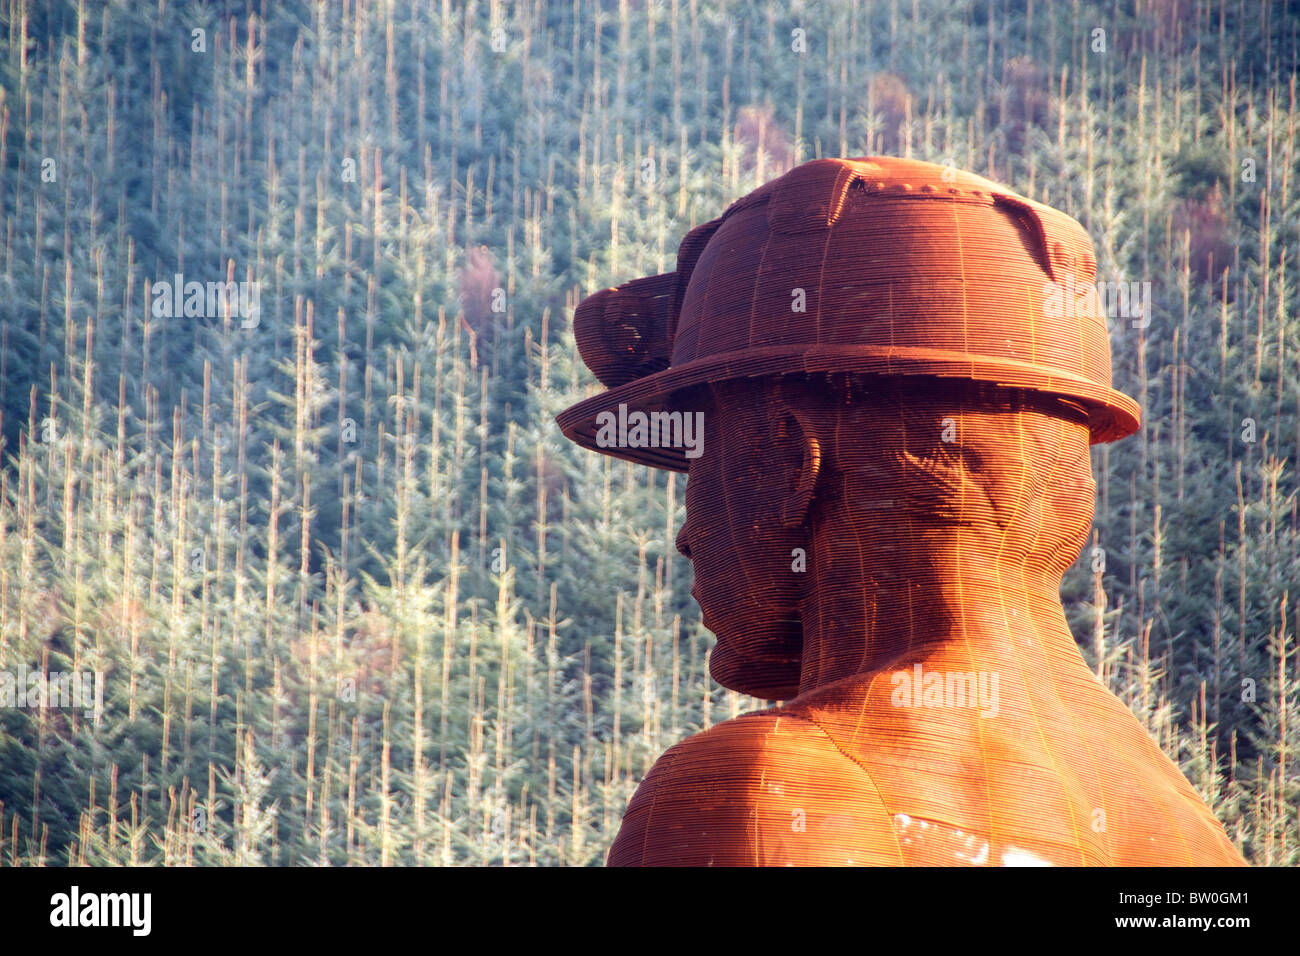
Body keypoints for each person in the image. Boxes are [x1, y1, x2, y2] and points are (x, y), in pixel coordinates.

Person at [557, 157, 1246, 866]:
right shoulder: (1189, 829)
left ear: (790, 463)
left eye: (703, 464)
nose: (685, 537)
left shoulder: (767, 791)